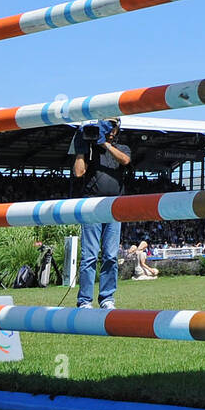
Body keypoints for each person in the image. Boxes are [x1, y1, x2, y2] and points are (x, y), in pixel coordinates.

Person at [70, 118, 132, 309]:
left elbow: (125, 160)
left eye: (113, 125)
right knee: (89, 255)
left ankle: (106, 298)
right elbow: (78, 173)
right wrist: (82, 147)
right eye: (107, 124)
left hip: (114, 207)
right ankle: (85, 300)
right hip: (91, 206)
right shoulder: (90, 149)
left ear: (117, 128)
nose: (110, 128)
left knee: (111, 256)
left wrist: (104, 143)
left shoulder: (122, 148)